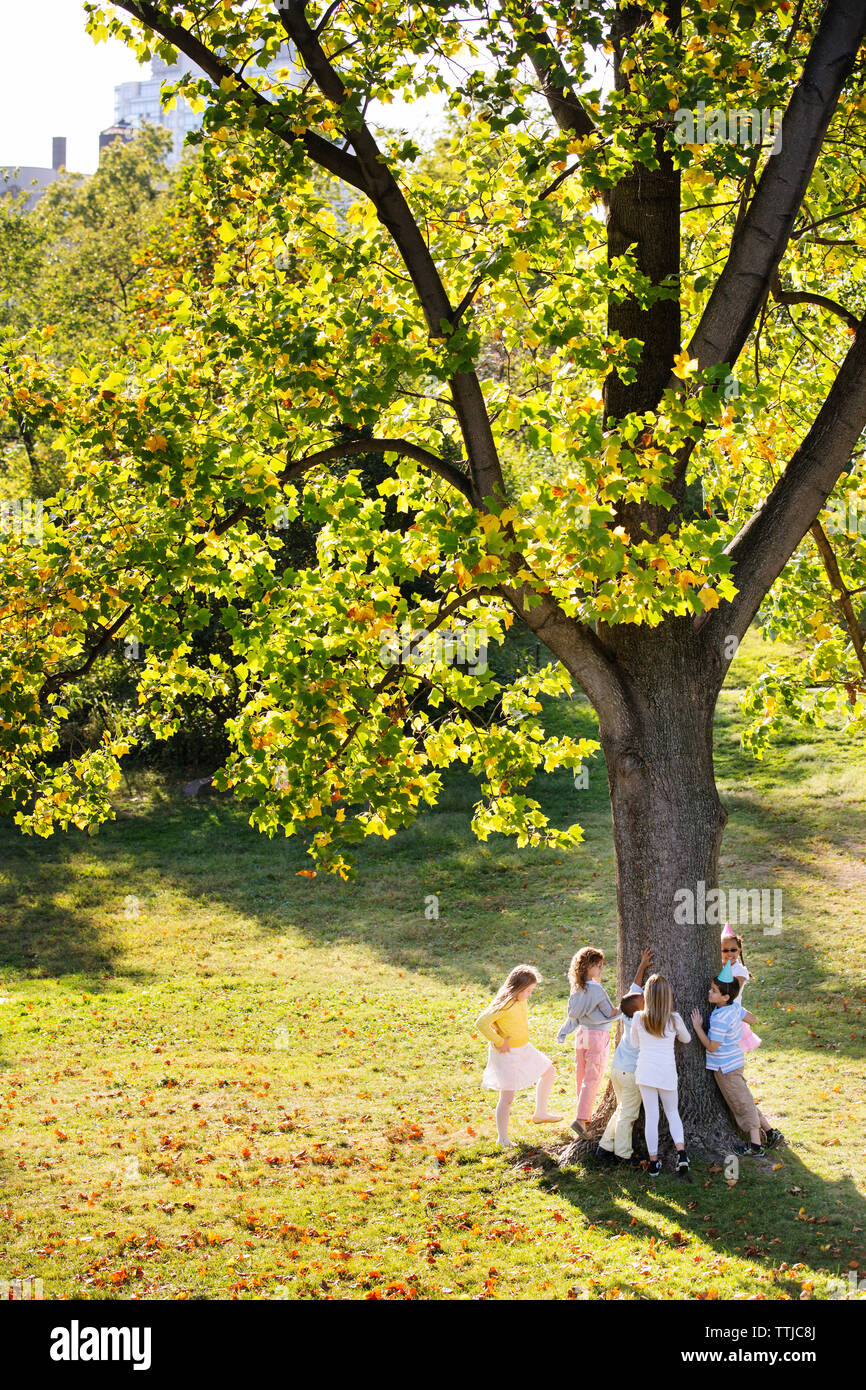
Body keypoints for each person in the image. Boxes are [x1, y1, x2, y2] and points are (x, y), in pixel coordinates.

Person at [690, 963, 783, 1156]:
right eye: (711, 989)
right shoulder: (733, 1008)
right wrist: (737, 1013)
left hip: (725, 1067)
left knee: (742, 1104)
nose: (709, 993)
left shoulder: (719, 1018)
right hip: (735, 1062)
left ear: (725, 997)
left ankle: (756, 1146)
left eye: (714, 991)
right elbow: (752, 1019)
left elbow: (712, 1046)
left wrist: (698, 1027)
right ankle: (770, 1132)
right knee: (745, 1099)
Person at [475, 964, 562, 1147]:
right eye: (528, 990)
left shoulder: (519, 1000)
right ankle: (503, 1138)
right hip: (507, 1053)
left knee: (549, 1071)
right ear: (518, 988)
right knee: (507, 1097)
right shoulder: (505, 1004)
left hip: (524, 1048)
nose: (530, 994)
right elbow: (481, 1023)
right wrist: (498, 1041)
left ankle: (540, 1113)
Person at [595, 948, 653, 1166]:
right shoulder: (643, 1023)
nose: (645, 998)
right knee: (629, 1115)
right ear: (639, 1010)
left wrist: (642, 965)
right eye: (644, 1001)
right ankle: (623, 1154)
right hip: (630, 1073)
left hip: (617, 1069)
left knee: (621, 1109)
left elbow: (635, 989)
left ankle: (605, 1146)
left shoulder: (629, 1013)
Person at [556, 946, 620, 1137]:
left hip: (581, 1035)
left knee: (581, 1077)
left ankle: (581, 1114)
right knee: (593, 1077)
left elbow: (574, 1014)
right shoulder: (596, 989)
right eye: (598, 966)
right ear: (589, 966)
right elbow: (610, 1012)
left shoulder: (577, 988)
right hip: (597, 1036)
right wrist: (627, 1006)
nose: (601, 970)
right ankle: (582, 1119)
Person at [633, 973, 691, 1177]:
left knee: (652, 1116)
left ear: (646, 996)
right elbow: (686, 1039)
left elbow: (634, 1044)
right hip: (666, 1071)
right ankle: (681, 1153)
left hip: (646, 1071)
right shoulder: (674, 1019)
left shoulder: (639, 1018)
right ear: (668, 996)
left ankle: (653, 1161)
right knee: (672, 1112)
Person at [721, 923, 761, 1051]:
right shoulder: (718, 966)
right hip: (718, 1013)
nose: (729, 954)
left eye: (733, 950)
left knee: (731, 1050)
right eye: (725, 950)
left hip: (732, 1015)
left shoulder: (740, 971)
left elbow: (730, 991)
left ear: (739, 950)